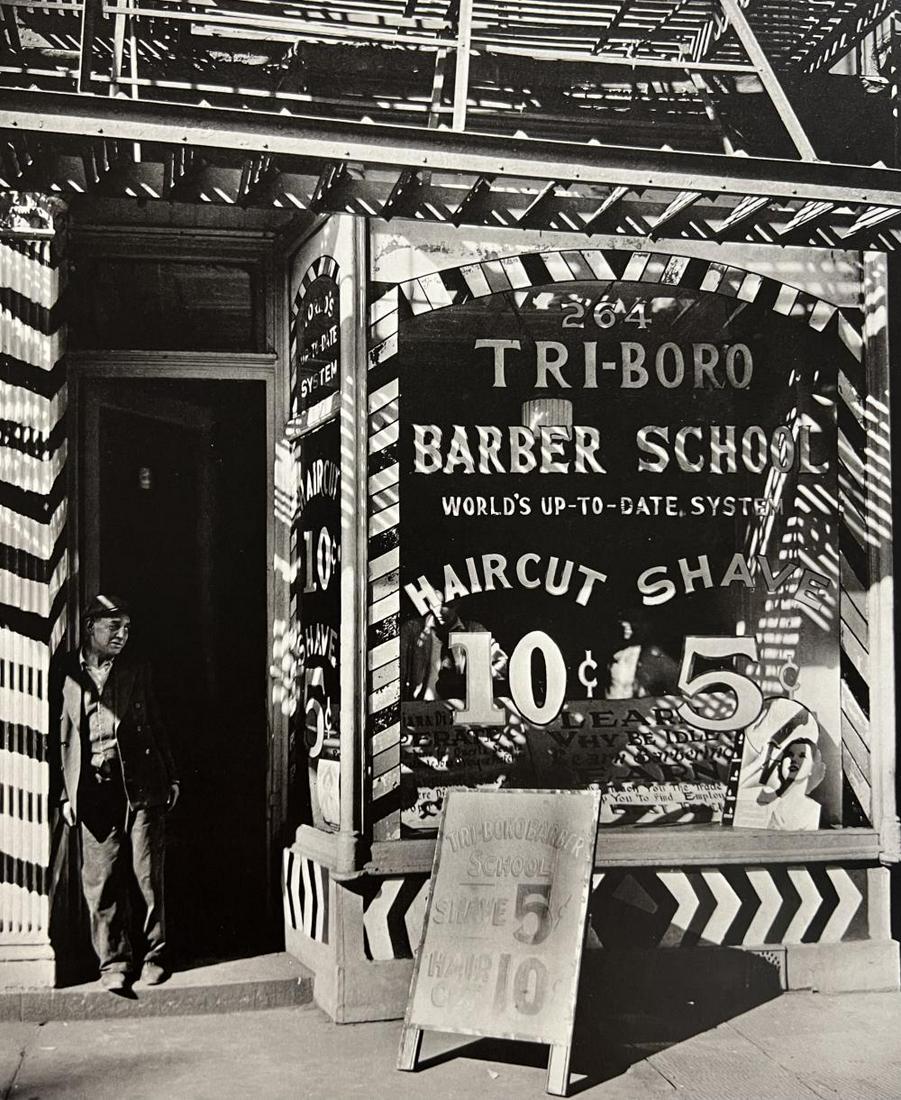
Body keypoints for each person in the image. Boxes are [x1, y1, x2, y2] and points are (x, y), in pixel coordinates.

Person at [57, 595, 179, 993]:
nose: (122, 635)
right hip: (92, 790)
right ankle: (114, 963)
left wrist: (172, 776)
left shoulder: (136, 669)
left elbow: (156, 721)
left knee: (147, 876)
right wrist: (64, 795)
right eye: (114, 627)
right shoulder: (65, 671)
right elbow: (56, 736)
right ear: (89, 627)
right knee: (101, 880)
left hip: (141, 783)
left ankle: (153, 957)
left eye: (127, 628)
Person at [400, 587, 508, 702]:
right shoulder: (412, 631)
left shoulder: (474, 631)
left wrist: (474, 678)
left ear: (457, 603)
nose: (439, 611)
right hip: (419, 709)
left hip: (460, 708)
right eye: (434, 604)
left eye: (447, 605)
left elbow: (501, 666)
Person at [602, 609, 679, 699]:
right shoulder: (610, 655)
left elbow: (678, 688)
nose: (626, 626)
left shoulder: (654, 657)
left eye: (633, 621)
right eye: (622, 620)